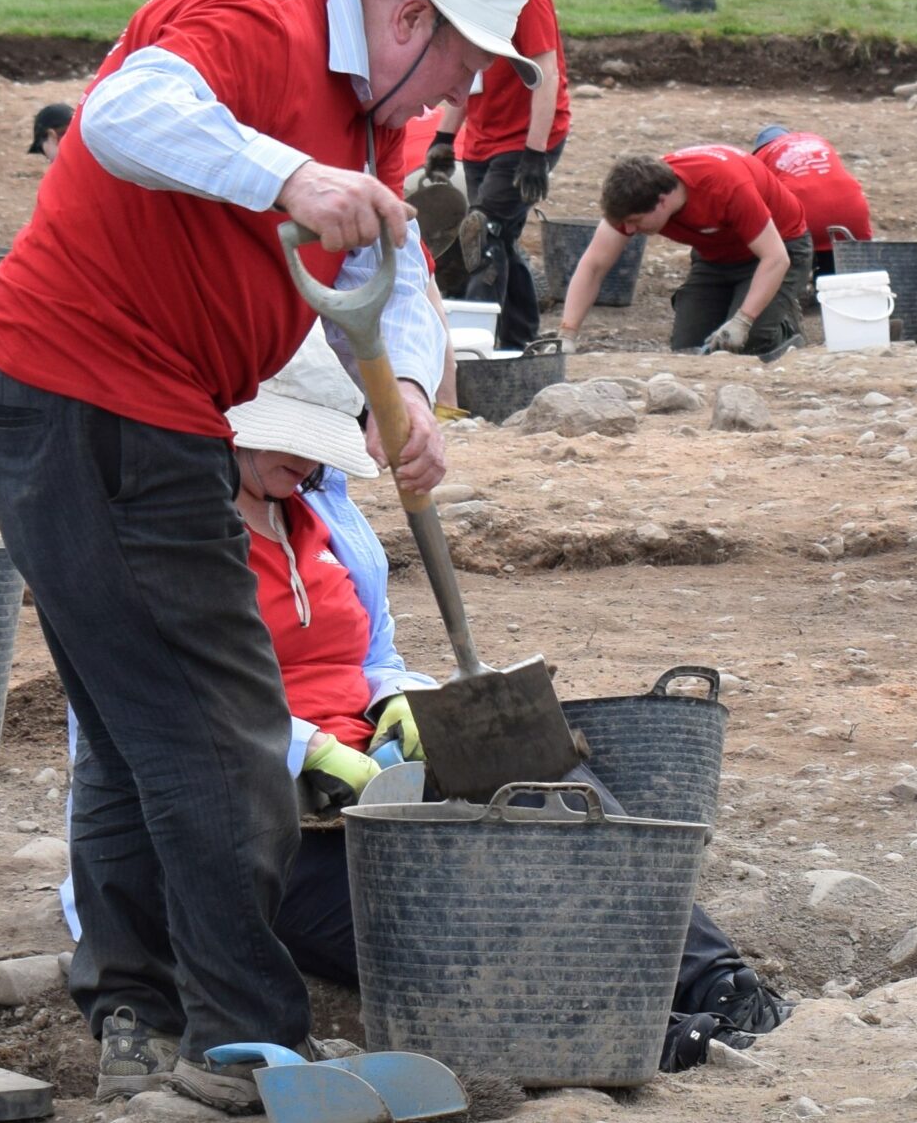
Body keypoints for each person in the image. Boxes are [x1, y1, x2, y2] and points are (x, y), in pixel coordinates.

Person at [0, 0, 517, 1103]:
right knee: (221, 720)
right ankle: (241, 1036)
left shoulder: (378, 126)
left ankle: (132, 1003)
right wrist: (292, 175)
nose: (455, 102)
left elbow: (397, 269)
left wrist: (407, 391)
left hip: (131, 399)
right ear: (408, 15)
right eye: (461, 69)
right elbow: (122, 115)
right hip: (87, 390)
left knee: (128, 720)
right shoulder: (258, 16)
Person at [201, 351, 789, 1068]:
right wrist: (302, 748)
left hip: (382, 771)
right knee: (446, 912)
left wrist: (397, 700)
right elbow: (176, 699)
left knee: (552, 785)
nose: (312, 464)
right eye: (295, 442)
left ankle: (718, 981)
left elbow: (371, 651)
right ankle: (634, 1028)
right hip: (274, 816)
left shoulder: (321, 519)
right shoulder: (185, 542)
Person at [445, 0, 569, 346]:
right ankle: (519, 343)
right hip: (482, 138)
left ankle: (477, 346)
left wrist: (535, 152)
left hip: (526, 136)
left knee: (483, 233)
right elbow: (461, 68)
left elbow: (546, 72)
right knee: (503, 241)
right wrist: (446, 137)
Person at [563, 146, 803, 360]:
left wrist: (744, 320)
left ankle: (782, 324)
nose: (628, 230)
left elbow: (776, 258)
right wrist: (567, 334)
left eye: (635, 221)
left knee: (748, 344)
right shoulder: (634, 197)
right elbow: (594, 266)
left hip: (778, 248)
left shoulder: (724, 186)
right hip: (715, 256)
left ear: (662, 201)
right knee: (689, 351)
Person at [749, 123, 875, 260]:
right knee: (847, 276)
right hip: (853, 214)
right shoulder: (818, 140)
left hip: (804, 222)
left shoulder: (760, 156)